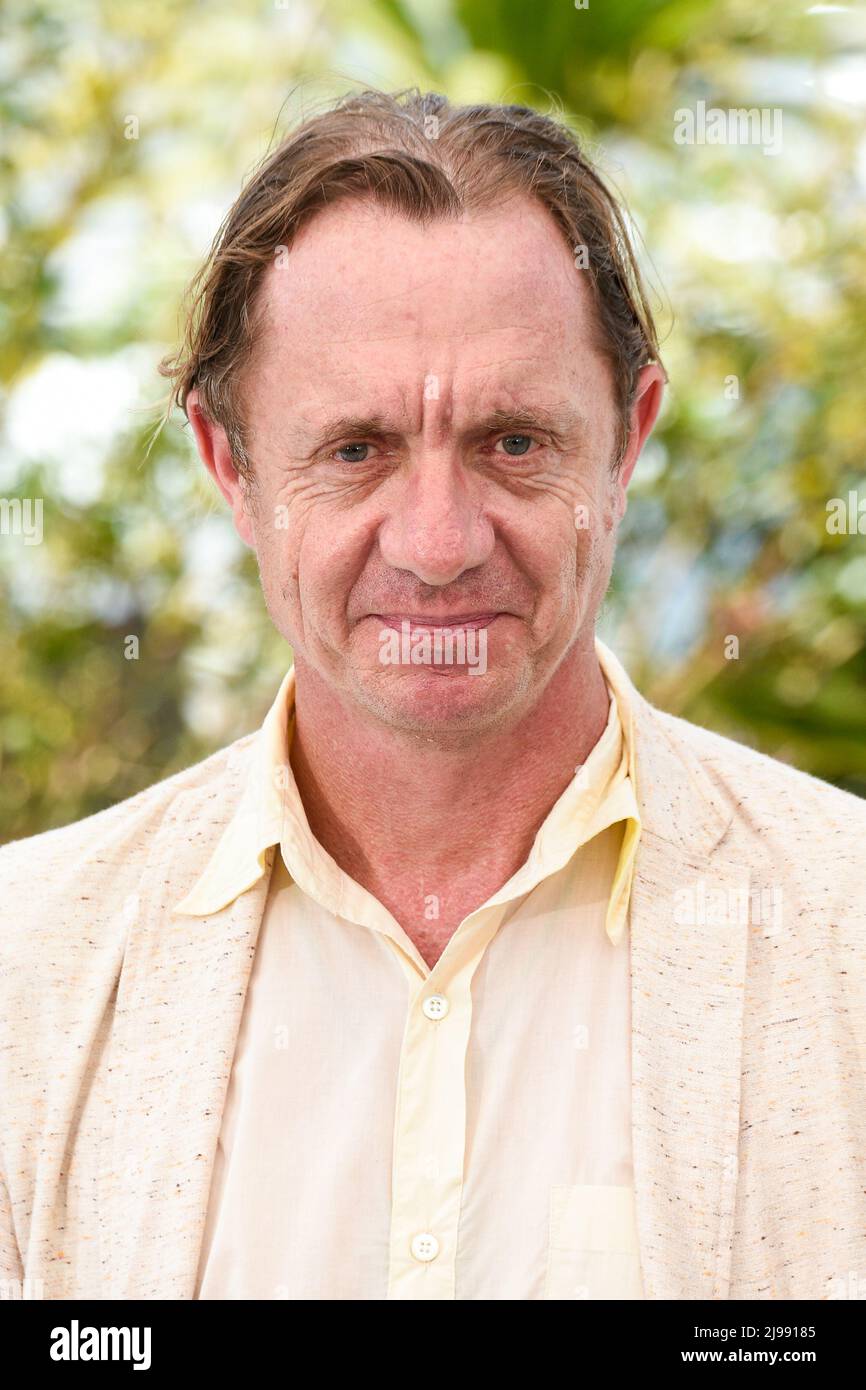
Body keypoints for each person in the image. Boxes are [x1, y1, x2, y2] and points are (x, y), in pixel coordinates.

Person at [1, 89, 864, 1302]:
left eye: (513, 441)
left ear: (625, 442)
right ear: (228, 467)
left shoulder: (845, 939)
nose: (440, 539)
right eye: (353, 449)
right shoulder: (26, 972)